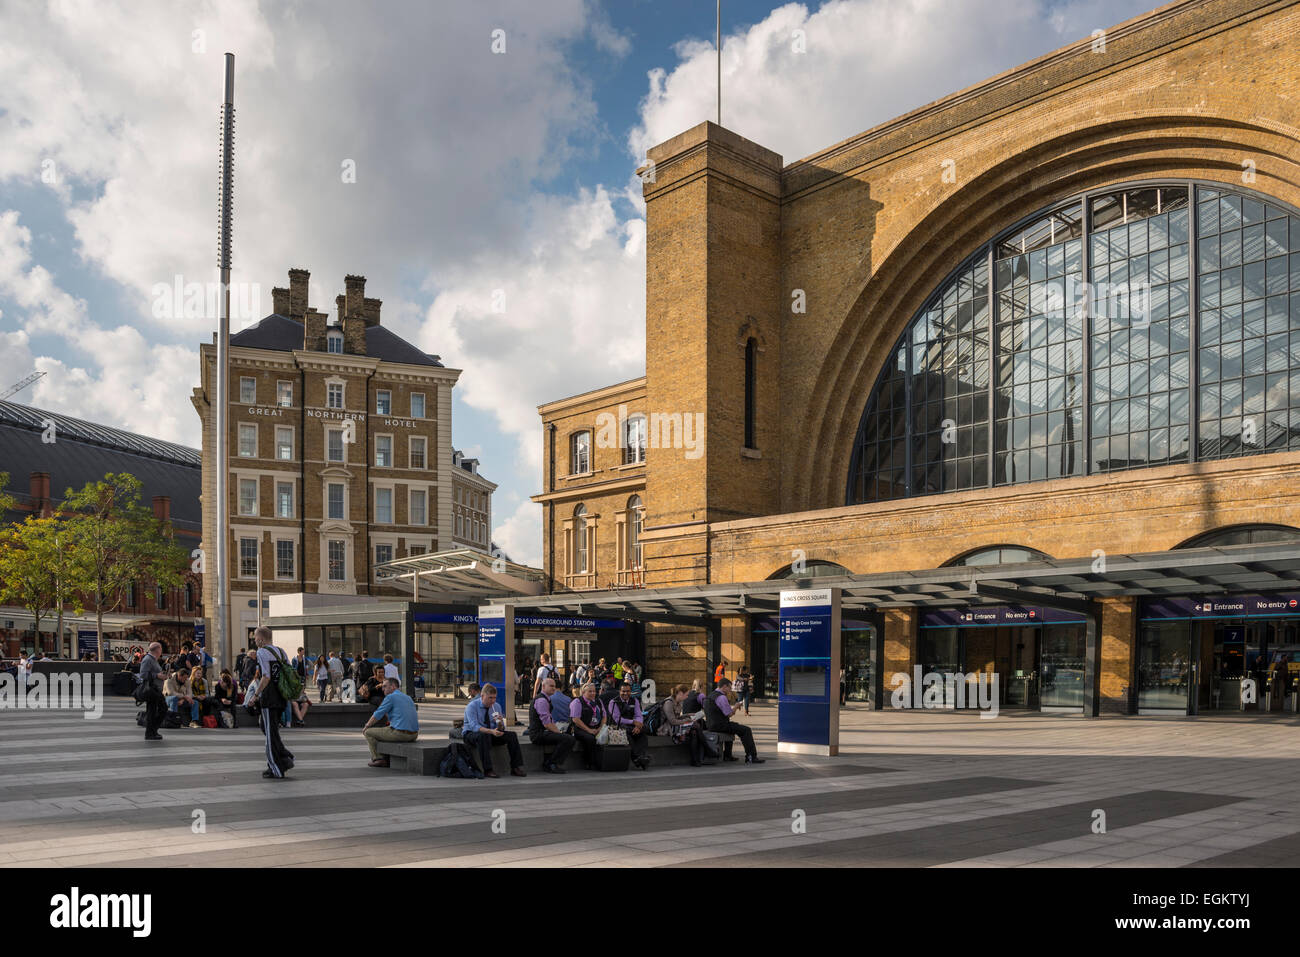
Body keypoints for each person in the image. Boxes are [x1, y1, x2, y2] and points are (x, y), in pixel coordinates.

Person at [250, 625, 295, 780]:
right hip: (282, 696)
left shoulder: (262, 652)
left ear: (261, 638)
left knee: (269, 733)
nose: (254, 640)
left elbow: (266, 676)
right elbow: (288, 671)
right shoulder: (281, 651)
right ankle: (284, 756)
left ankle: (276, 768)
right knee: (269, 728)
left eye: (255, 637)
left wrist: (255, 695)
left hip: (270, 697)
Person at [462, 684, 526, 778]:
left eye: (494, 698)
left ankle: (515, 767)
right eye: (490, 698)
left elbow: (500, 728)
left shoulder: (496, 706)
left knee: (512, 735)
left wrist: (500, 724)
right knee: (482, 736)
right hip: (471, 734)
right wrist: (491, 732)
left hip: (490, 733)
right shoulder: (472, 706)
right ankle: (488, 769)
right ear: (483, 696)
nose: (493, 700)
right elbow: (474, 727)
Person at [702, 678, 764, 764]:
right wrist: (736, 706)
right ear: (724, 686)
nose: (730, 690)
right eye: (729, 688)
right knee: (746, 730)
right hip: (720, 725)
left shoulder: (710, 696)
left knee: (733, 726)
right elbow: (729, 714)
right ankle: (751, 756)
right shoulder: (721, 697)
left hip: (710, 725)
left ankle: (728, 755)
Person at [362, 678, 419, 768]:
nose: (382, 689)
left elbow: (378, 714)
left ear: (393, 687)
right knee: (384, 730)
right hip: (414, 735)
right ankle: (386, 757)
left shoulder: (391, 697)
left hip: (400, 734)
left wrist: (367, 726)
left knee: (369, 733)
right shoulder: (407, 697)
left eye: (385, 686)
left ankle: (379, 759)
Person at [527, 677, 574, 774]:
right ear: (543, 686)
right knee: (568, 739)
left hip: (541, 732)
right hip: (538, 734)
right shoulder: (542, 700)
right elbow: (547, 724)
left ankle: (551, 762)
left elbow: (549, 721)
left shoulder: (546, 699)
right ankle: (551, 764)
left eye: (554, 686)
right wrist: (559, 732)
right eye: (551, 686)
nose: (553, 688)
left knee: (567, 737)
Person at [606, 682, 651, 770]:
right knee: (627, 734)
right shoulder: (614, 702)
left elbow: (639, 715)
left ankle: (641, 757)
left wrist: (638, 726)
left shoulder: (635, 700)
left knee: (644, 731)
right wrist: (633, 722)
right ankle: (638, 757)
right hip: (619, 726)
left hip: (633, 725)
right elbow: (617, 719)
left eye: (628, 691)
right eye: (623, 691)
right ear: (619, 691)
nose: (626, 693)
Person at [658, 684, 705, 766]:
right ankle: (705, 752)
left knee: (694, 731)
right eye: (686, 695)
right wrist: (686, 720)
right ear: (680, 693)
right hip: (666, 729)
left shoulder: (678, 703)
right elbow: (672, 721)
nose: (687, 697)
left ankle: (695, 759)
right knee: (695, 726)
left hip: (673, 726)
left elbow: (677, 717)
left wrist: (688, 715)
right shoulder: (668, 703)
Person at [568, 681, 606, 771]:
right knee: (590, 738)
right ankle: (591, 762)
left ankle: (605, 761)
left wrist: (601, 728)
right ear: (583, 692)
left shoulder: (598, 701)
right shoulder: (577, 702)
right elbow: (576, 720)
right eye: (590, 691)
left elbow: (604, 716)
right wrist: (589, 730)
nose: (593, 693)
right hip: (581, 728)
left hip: (597, 727)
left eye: (594, 691)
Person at [138, 642, 168, 741]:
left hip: (156, 689)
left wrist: (163, 675)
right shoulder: (147, 659)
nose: (161, 651)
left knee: (153, 711)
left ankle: (151, 732)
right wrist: (157, 675)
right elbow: (143, 674)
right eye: (161, 649)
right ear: (158, 650)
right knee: (160, 709)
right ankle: (151, 731)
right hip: (152, 689)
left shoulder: (153, 660)